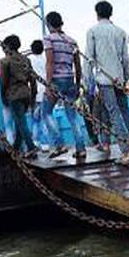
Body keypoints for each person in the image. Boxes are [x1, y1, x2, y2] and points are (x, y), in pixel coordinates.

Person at [85, 0, 129, 165]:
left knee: (113, 113)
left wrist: (87, 81)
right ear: (110, 13)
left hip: (104, 79)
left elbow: (89, 59)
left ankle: (126, 152)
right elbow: (126, 59)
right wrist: (125, 78)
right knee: (124, 110)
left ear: (97, 13)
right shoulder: (120, 32)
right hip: (119, 78)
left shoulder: (92, 31)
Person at [42, 11, 89, 159]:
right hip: (70, 80)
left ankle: (59, 144)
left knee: (46, 112)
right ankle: (81, 148)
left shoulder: (48, 39)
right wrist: (77, 84)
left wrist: (48, 85)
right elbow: (78, 65)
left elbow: (50, 62)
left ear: (48, 24)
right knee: (72, 116)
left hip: (56, 80)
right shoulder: (72, 41)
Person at [0, 35, 39, 158]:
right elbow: (33, 79)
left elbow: (3, 81)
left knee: (21, 123)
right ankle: (16, 148)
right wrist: (33, 96)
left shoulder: (6, 61)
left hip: (14, 95)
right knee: (19, 122)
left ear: (8, 46)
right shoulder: (26, 60)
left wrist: (2, 96)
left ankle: (31, 147)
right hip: (26, 93)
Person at [27, 39, 53, 149]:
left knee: (35, 120)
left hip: (34, 93)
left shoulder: (29, 59)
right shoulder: (46, 59)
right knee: (44, 119)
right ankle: (45, 144)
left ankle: (35, 142)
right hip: (46, 92)